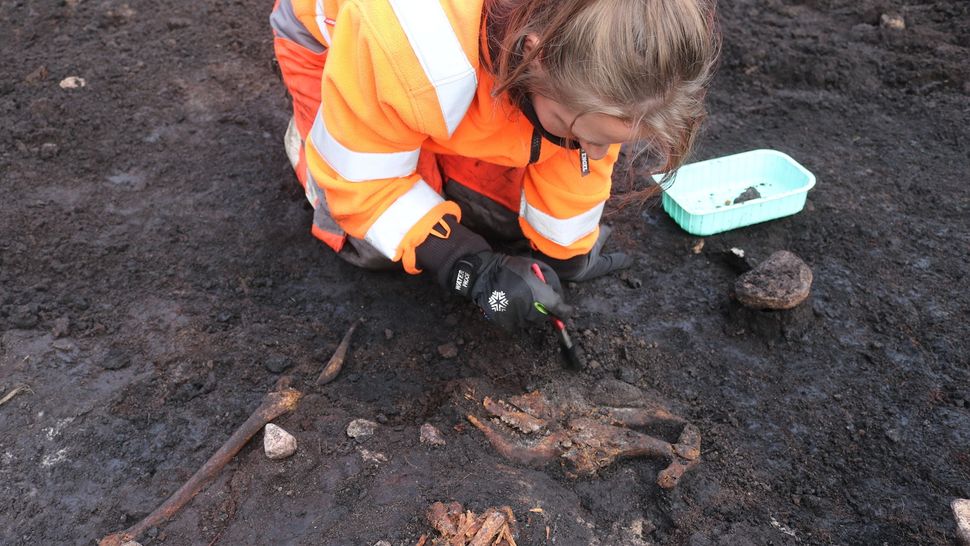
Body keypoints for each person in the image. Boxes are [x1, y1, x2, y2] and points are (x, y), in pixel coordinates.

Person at [270, 0, 718, 332]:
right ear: (535, 54)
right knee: (373, 244)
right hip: (343, 46)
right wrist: (467, 264)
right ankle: (320, 137)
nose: (596, 155)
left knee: (499, 219)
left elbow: (579, 150)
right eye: (584, 135)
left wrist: (565, 253)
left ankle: (434, 129)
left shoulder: (617, 36)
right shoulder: (412, 33)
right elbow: (364, 185)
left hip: (462, 75)